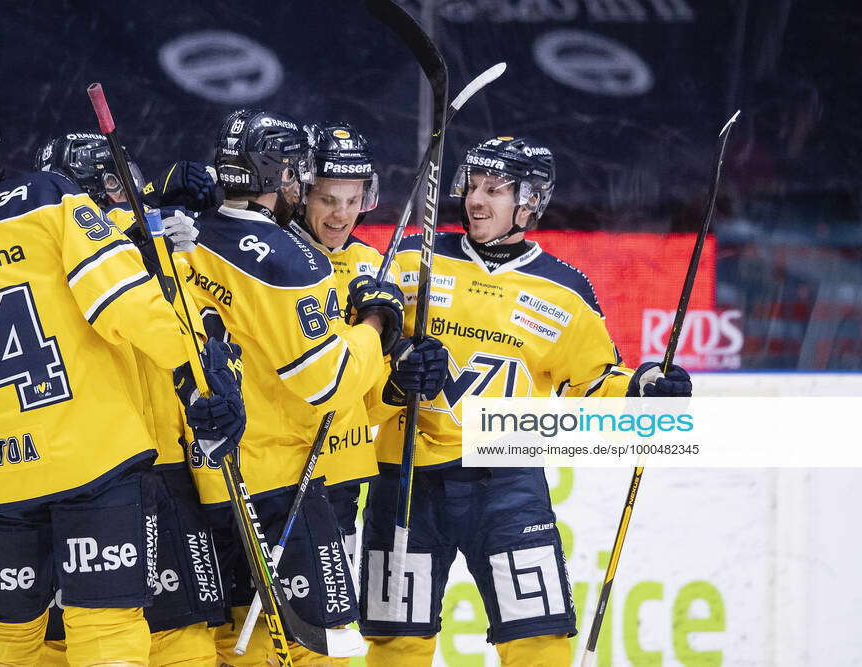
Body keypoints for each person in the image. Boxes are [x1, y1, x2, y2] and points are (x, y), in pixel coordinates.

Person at [358, 136, 693, 666]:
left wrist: (646, 385)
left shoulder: (565, 290)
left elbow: (593, 382)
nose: (475, 200)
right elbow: (363, 357)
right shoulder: (410, 260)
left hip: (506, 481)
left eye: (494, 189)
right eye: (472, 186)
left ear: (530, 201)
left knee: (539, 641)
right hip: (406, 475)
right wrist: (397, 366)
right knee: (397, 642)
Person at [168, 108, 406, 666]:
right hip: (280, 480)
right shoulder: (287, 258)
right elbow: (329, 382)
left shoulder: (190, 234)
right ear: (282, 177)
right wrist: (375, 325)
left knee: (239, 642)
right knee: (323, 646)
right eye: (305, 178)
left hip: (212, 474)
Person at [31, 132, 225, 667]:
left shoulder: (142, 241)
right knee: (163, 642)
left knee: (83, 641)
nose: (129, 195)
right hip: (127, 470)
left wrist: (171, 234)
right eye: (117, 186)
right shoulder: (112, 244)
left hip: (90, 472)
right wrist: (155, 227)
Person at [284, 120, 446, 572]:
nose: (342, 215)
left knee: (331, 615)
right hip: (273, 468)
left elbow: (369, 401)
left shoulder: (373, 265)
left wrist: (403, 380)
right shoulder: (272, 254)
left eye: (353, 200)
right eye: (328, 199)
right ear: (301, 193)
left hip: (341, 472)